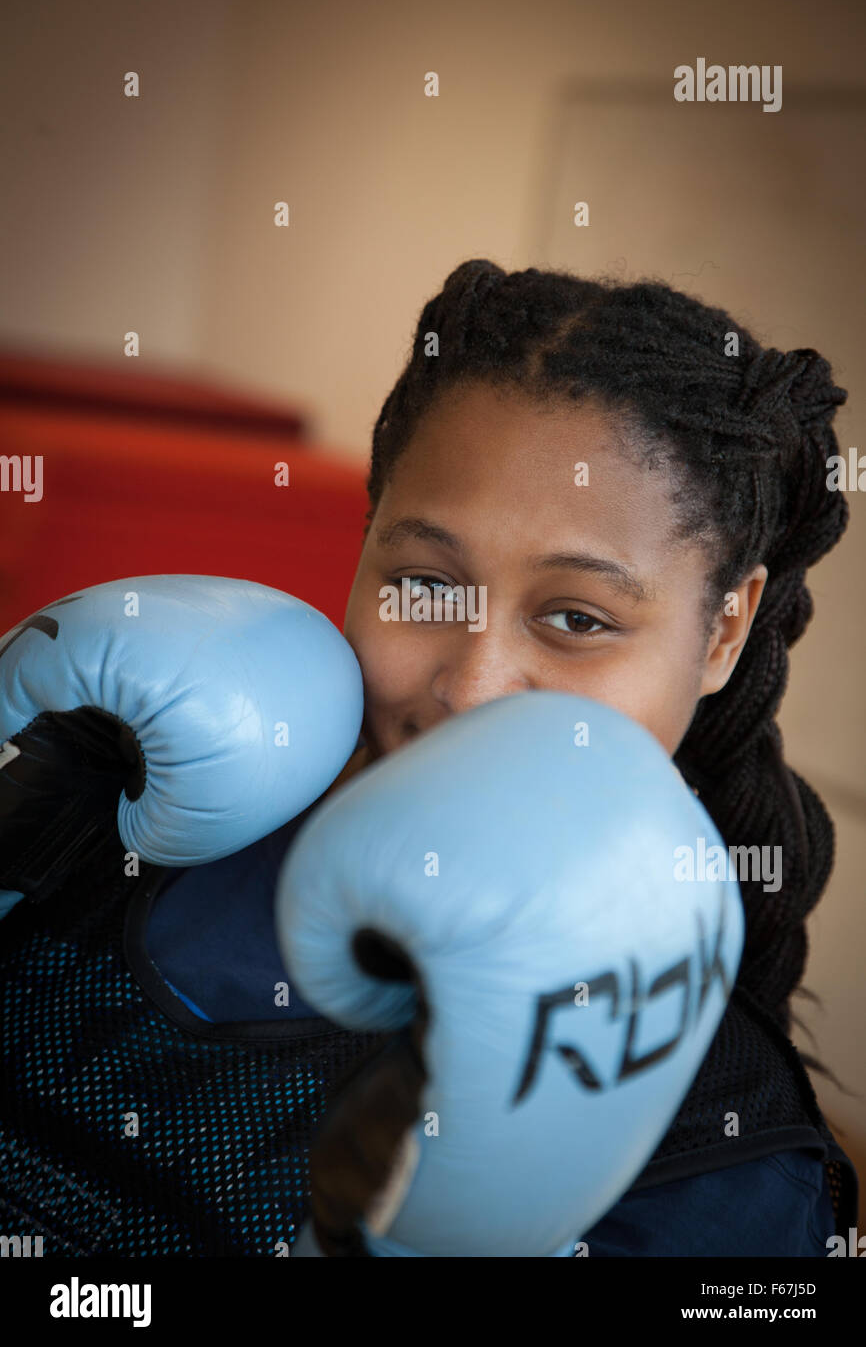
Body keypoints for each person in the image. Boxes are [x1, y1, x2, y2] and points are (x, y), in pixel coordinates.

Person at [1, 261, 858, 1256]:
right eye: (424, 583)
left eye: (576, 617)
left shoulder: (724, 1152)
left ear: (720, 633)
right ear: (364, 543)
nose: (472, 685)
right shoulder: (119, 792)